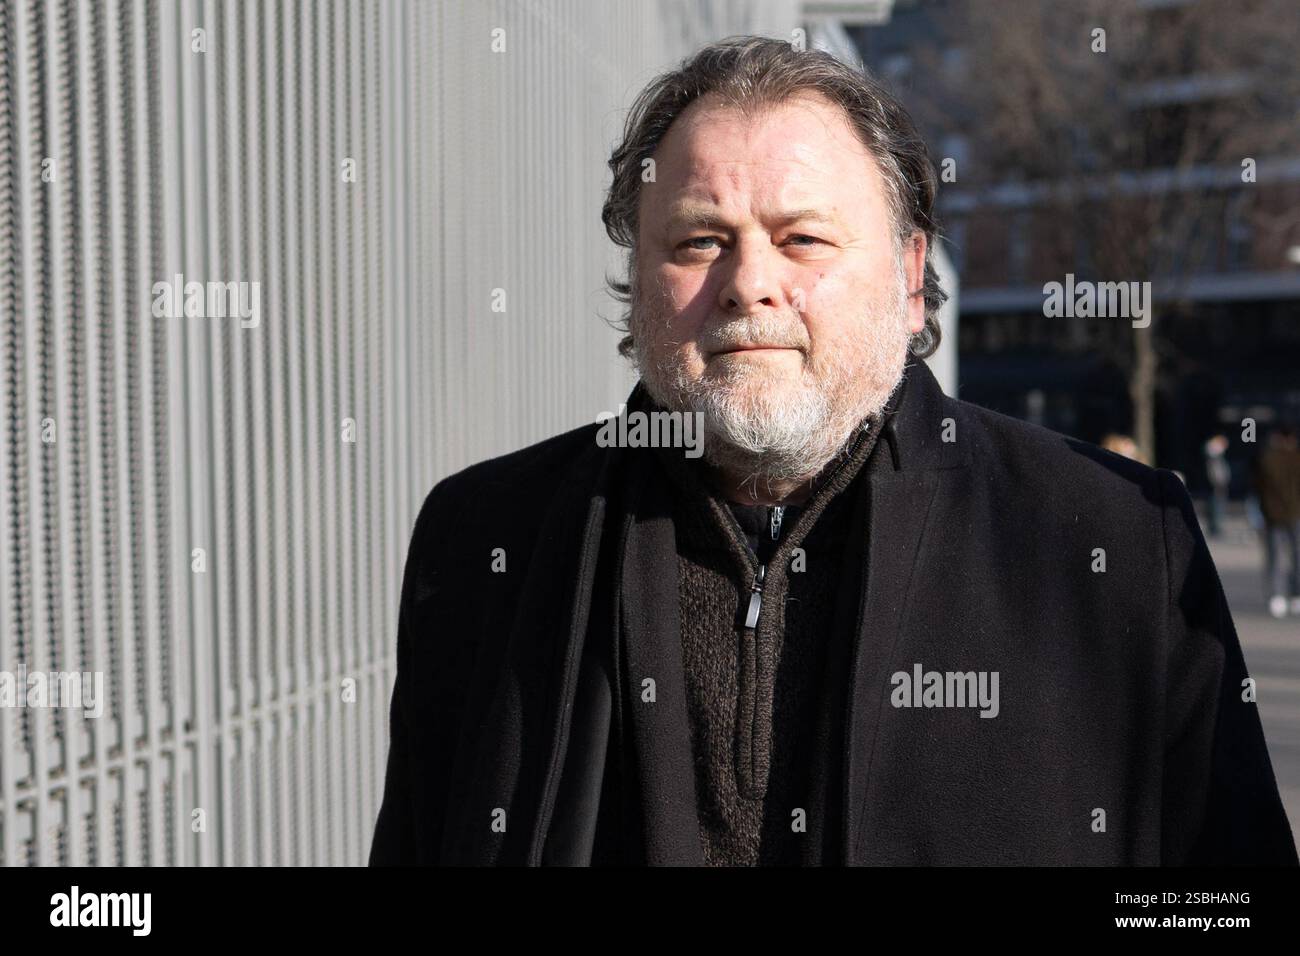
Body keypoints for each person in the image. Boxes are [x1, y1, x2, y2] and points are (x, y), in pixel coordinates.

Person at [370, 37, 1295, 866]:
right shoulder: (487, 537)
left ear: (908, 275)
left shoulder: (1114, 542)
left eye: (802, 238)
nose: (749, 285)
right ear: (638, 277)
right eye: (700, 240)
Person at [1252, 423, 1300, 618]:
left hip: (1271, 514)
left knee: (1273, 556)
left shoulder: (1266, 458)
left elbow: (1257, 485)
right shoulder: (1297, 458)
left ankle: (1275, 596)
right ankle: (1296, 595)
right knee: (1296, 555)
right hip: (1295, 513)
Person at [1204, 433, 1231, 539]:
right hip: (1217, 485)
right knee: (1216, 506)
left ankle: (1215, 527)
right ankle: (1215, 528)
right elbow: (1215, 473)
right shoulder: (1214, 457)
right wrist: (1218, 483)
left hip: (1218, 484)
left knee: (1217, 506)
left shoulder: (1216, 457)